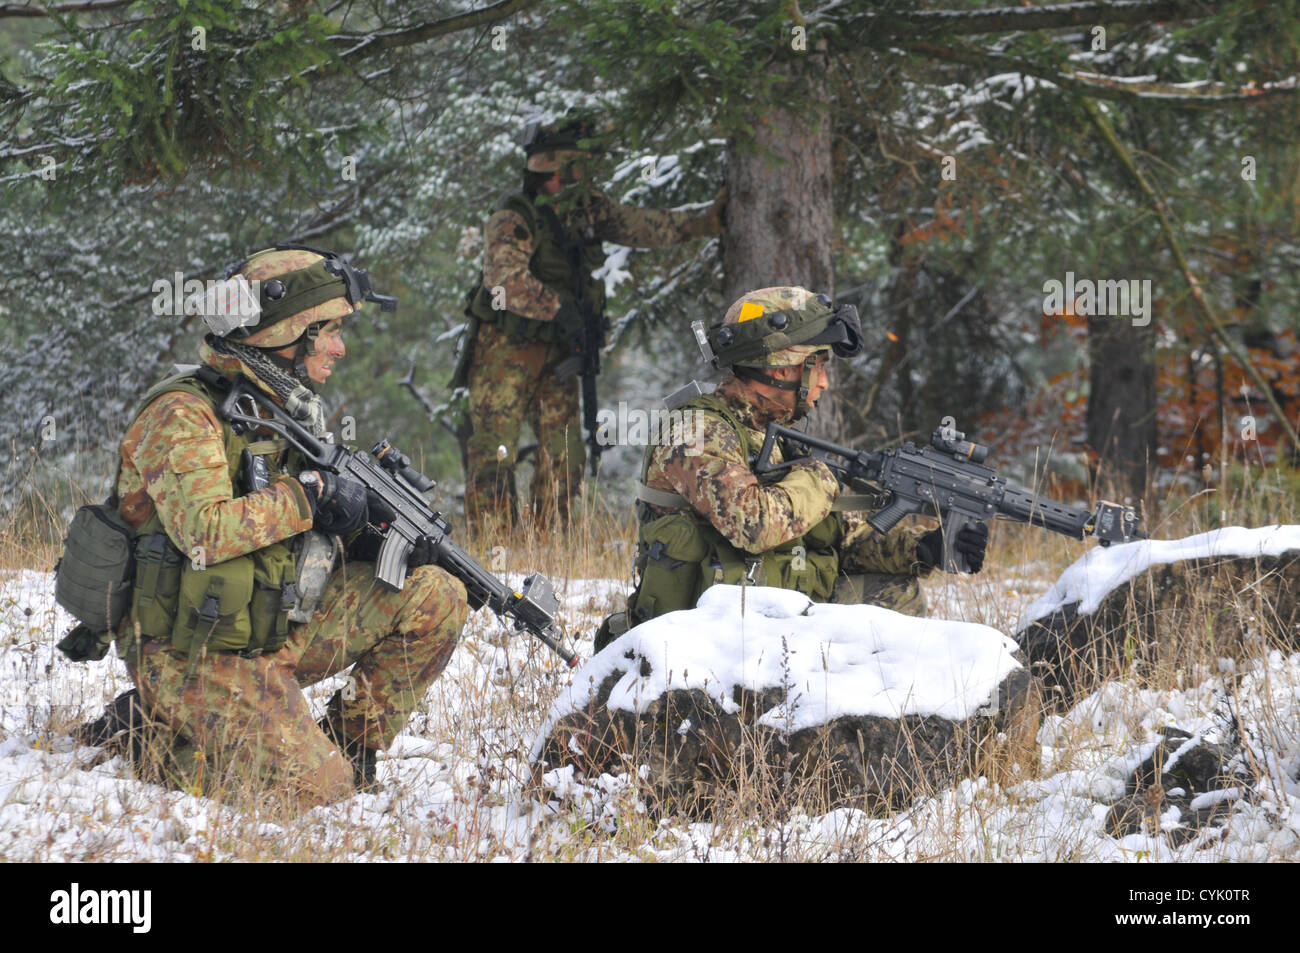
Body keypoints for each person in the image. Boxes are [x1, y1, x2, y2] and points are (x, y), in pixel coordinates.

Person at [97, 245, 469, 805]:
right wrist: (309, 494)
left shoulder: (284, 410)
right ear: (286, 331)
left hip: (269, 623)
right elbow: (205, 534)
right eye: (331, 331)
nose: (341, 347)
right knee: (308, 790)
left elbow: (297, 537)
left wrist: (367, 530)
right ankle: (151, 732)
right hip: (189, 650)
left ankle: (348, 751)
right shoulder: (184, 414)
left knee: (436, 595)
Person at [596, 285, 989, 651]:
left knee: (896, 592)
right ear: (784, 368)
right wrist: (819, 478)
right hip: (699, 641)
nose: (824, 385)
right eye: (818, 367)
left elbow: (843, 539)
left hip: (763, 621)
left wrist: (925, 549)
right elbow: (755, 524)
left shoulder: (775, 437)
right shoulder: (697, 432)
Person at [455, 115, 727, 531]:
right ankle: (492, 549)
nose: (586, 175)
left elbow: (639, 226)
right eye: (577, 167)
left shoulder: (587, 208)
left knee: (565, 454)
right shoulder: (514, 216)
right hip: (505, 348)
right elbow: (504, 282)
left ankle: (548, 545)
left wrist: (705, 223)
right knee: (494, 448)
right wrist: (561, 309)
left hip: (561, 351)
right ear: (554, 168)